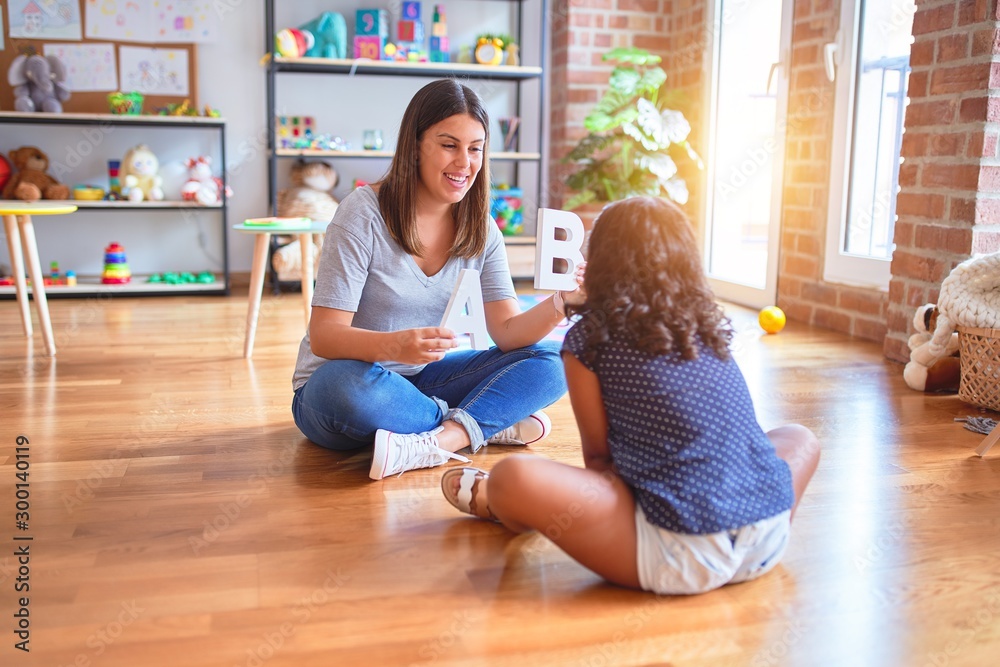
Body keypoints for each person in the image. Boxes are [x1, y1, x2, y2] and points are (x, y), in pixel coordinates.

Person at [440, 196, 821, 595]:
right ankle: (738, 526)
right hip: (767, 537)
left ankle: (500, 505)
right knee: (800, 438)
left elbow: (601, 463)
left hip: (682, 552)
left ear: (601, 264)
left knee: (513, 477)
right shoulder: (707, 325)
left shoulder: (588, 340)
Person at [292, 79, 578, 481]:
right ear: (414, 146)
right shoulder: (362, 214)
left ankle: (442, 440)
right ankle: (484, 425)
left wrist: (563, 302)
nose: (465, 162)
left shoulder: (481, 230)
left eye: (475, 148)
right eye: (449, 145)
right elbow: (325, 336)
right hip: (341, 387)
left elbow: (510, 332)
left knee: (555, 359)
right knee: (346, 387)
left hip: (422, 384)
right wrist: (394, 345)